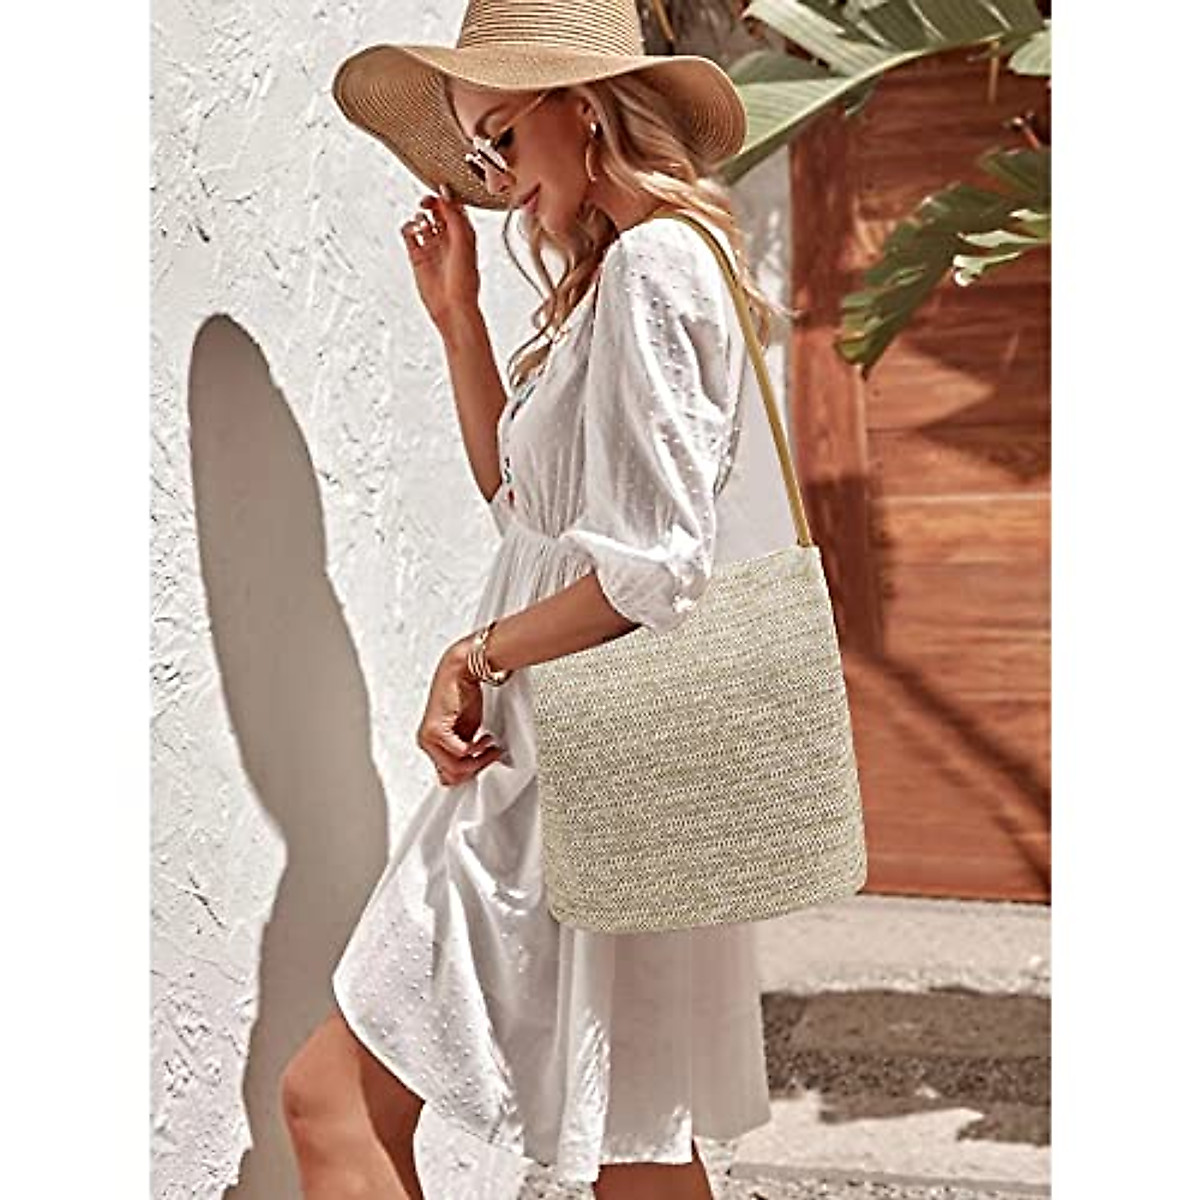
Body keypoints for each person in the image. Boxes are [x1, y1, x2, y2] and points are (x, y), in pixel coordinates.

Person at [280, 1, 800, 1196]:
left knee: (330, 1101)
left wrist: (474, 653)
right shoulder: (615, 279)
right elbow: (524, 509)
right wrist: (458, 320)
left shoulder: (656, 266)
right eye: (478, 153)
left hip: (568, 758)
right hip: (562, 754)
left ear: (585, 107)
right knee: (636, 1152)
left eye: (505, 137)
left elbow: (653, 568)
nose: (496, 179)